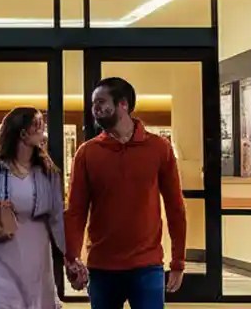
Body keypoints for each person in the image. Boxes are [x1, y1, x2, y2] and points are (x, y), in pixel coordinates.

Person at [64, 77, 187, 309]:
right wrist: (72, 259)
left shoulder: (159, 148)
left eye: (101, 102)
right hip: (102, 267)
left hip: (147, 266)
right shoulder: (87, 153)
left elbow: (175, 207)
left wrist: (178, 262)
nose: (95, 109)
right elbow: (75, 212)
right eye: (93, 103)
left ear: (123, 104)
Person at [0, 107, 66, 309]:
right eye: (37, 125)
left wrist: (69, 258)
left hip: (37, 259)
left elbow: (57, 220)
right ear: (22, 133)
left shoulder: (49, 172)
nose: (43, 130)